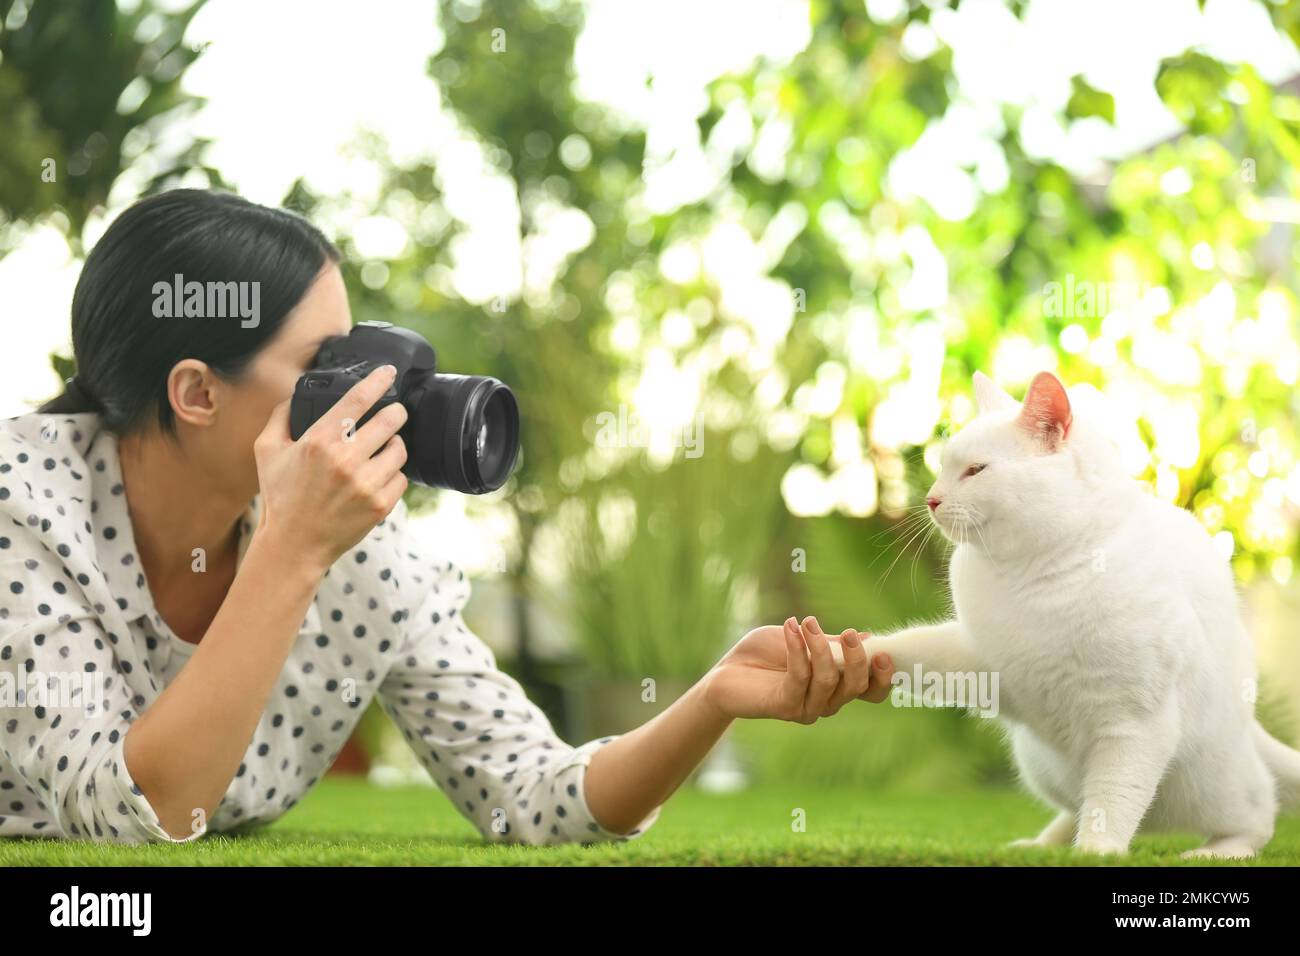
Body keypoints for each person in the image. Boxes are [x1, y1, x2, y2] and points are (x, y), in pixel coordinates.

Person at [0, 188, 895, 845]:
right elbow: (135, 816)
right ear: (196, 391)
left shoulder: (357, 557)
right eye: (327, 362)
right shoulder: (24, 504)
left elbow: (538, 795)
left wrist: (713, 699)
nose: (367, 390)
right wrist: (292, 551)